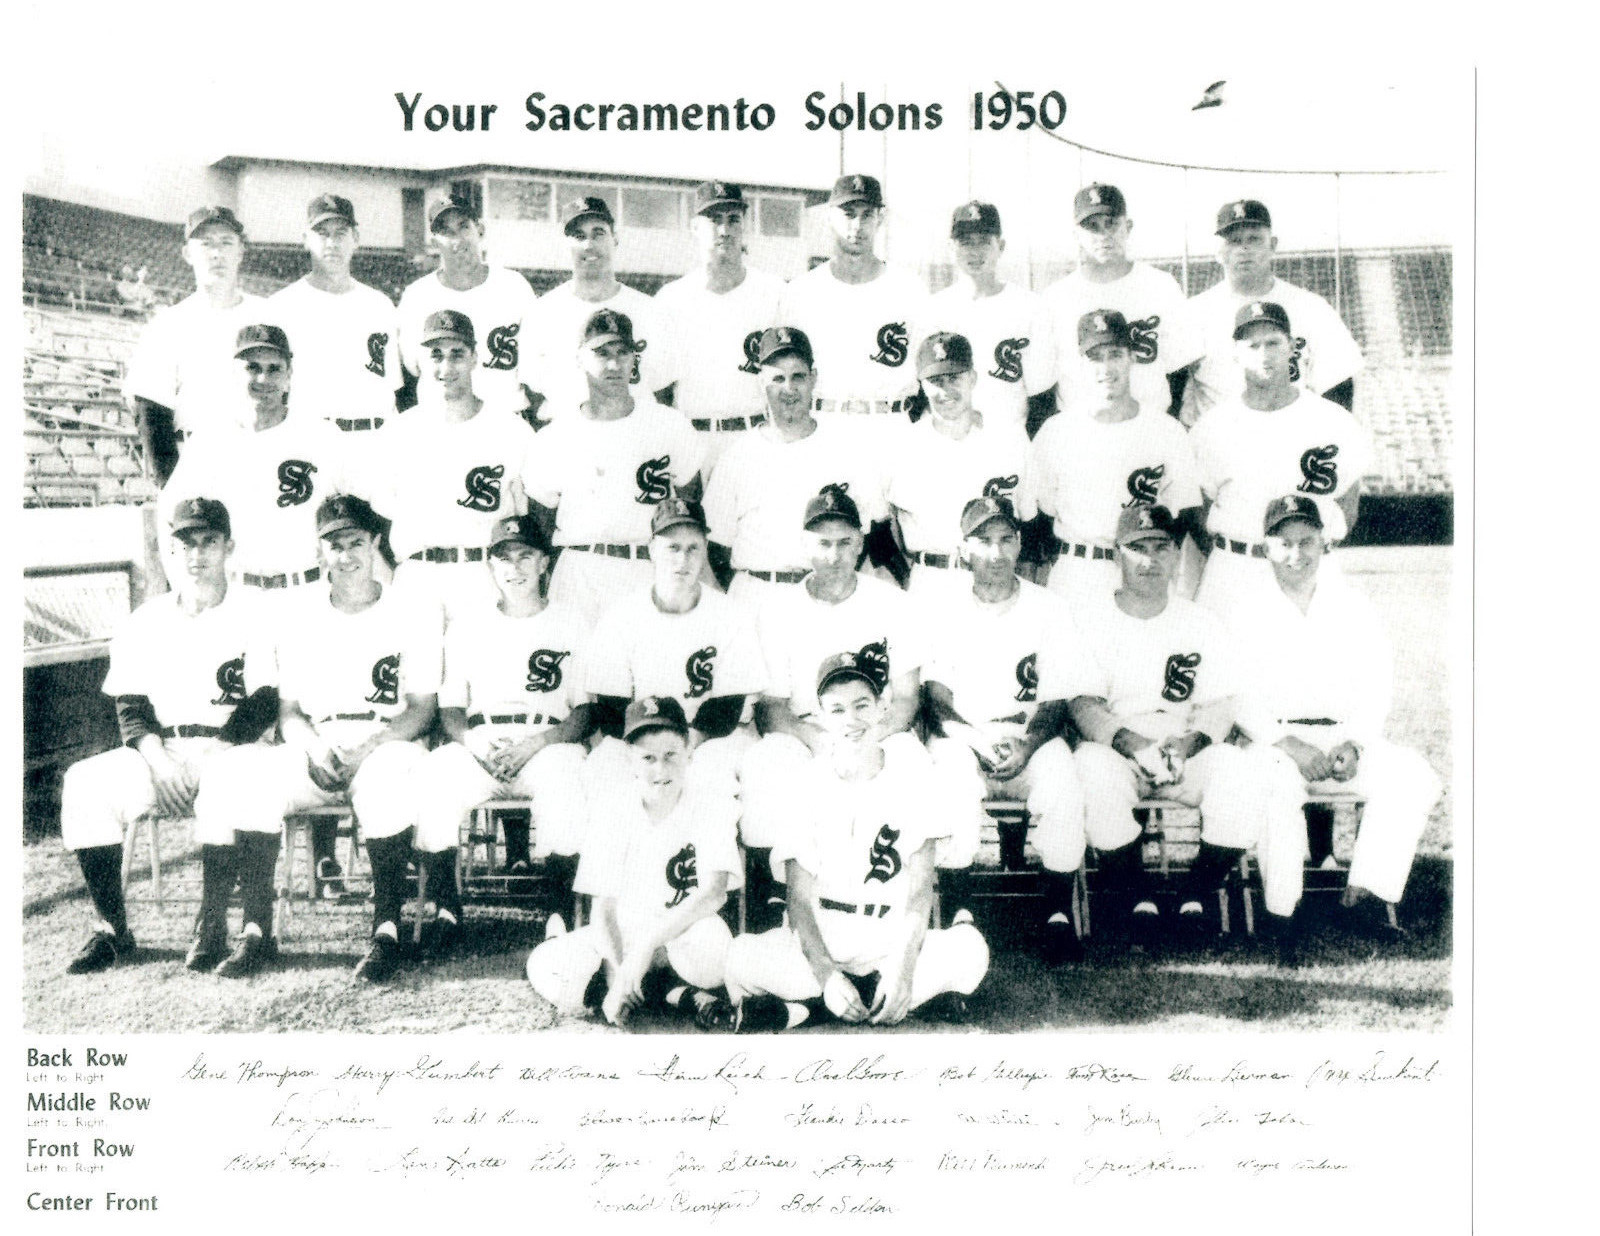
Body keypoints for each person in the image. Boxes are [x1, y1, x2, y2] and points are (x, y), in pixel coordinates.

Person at [195, 495, 440, 981]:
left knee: (387, 779)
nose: (345, 555)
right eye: (334, 545)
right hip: (318, 739)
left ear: (374, 544)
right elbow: (288, 711)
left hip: (387, 738)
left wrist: (369, 747)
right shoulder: (295, 613)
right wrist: (311, 746)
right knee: (250, 773)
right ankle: (257, 932)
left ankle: (386, 929)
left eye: (355, 542)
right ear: (318, 552)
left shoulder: (413, 609)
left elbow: (422, 709)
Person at [704, 652, 990, 1031]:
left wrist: (902, 971)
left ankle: (806, 1010)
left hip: (888, 935)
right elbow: (799, 901)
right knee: (739, 956)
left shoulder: (913, 775)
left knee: (971, 949)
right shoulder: (806, 782)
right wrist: (827, 976)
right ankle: (874, 999)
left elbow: (921, 891)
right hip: (826, 932)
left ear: (883, 707)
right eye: (837, 709)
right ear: (820, 716)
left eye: (861, 705)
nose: (851, 720)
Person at [58, 499, 275, 975]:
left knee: (229, 777)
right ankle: (112, 929)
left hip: (230, 747)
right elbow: (131, 707)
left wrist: (213, 754)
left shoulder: (255, 610)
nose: (196, 554)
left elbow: (264, 700)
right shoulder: (147, 618)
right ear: (171, 551)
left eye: (208, 542)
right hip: (163, 752)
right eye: (186, 543)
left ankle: (212, 924)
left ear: (228, 547)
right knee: (84, 782)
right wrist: (161, 763)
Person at [1230, 495, 1442, 946]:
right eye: (1283, 543)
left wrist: (1356, 742)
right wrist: (1289, 745)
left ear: (1324, 542)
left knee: (1414, 777)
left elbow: (1378, 682)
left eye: (1306, 541)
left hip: (1343, 739)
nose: (1296, 554)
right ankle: (1282, 913)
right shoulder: (1244, 609)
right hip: (1278, 742)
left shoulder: (1353, 604)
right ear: (1265, 548)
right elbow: (1238, 696)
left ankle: (1361, 899)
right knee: (1274, 786)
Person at [1065, 504, 1262, 942]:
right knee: (1092, 773)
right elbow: (1082, 704)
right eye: (1138, 549)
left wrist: (1187, 744)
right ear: (1117, 555)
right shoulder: (1090, 619)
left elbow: (1220, 704)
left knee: (1239, 772)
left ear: (1177, 555)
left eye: (1161, 548)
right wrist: (1132, 744)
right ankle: (1136, 893)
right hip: (1118, 745)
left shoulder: (1199, 621)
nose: (1150, 560)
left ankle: (1197, 893)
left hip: (1184, 743)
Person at [738, 486, 928, 929]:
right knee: (768, 764)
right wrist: (823, 741)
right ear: (805, 545)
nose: (834, 554)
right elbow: (770, 708)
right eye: (823, 543)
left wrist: (867, 739)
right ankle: (778, 899)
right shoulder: (776, 607)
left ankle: (905, 906)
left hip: (875, 730)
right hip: (806, 732)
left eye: (845, 542)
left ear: (861, 543)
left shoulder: (893, 603)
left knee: (913, 764)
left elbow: (906, 698)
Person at [407, 515, 592, 951]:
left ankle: (557, 911)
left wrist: (538, 744)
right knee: (436, 774)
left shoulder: (573, 621)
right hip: (484, 743)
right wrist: (475, 742)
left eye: (525, 555)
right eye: (504, 558)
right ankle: (447, 911)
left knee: (567, 778)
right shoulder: (468, 625)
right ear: (491, 566)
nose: (515, 568)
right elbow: (452, 709)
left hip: (546, 741)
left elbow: (585, 711)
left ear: (544, 562)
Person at [922, 496, 1091, 962]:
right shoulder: (941, 608)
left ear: (1019, 545)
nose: (995, 553)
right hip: (966, 737)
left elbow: (1056, 697)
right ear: (963, 549)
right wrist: (977, 740)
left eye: (1005, 540)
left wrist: (1029, 743)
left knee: (1062, 783)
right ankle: (959, 911)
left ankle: (1058, 914)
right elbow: (935, 699)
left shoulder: (1049, 607)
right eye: (983, 541)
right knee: (952, 778)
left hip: (1028, 736)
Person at [526, 695, 742, 1027]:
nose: (660, 769)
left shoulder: (710, 802)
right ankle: (675, 993)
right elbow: (604, 909)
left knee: (717, 948)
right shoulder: (613, 806)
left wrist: (645, 951)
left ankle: (648, 987)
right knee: (544, 963)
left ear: (688, 752)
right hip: (627, 929)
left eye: (671, 755)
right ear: (630, 761)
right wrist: (616, 977)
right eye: (648, 758)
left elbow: (714, 893)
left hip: (685, 930)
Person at [1189, 301, 1375, 620]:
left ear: (1292, 348)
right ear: (1236, 353)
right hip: (1235, 571)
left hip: (1311, 570)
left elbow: (1348, 505)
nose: (1264, 353)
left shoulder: (1333, 420)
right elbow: (1197, 510)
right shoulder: (1212, 427)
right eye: (1252, 345)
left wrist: (1304, 551)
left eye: (1273, 342)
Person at [522, 309, 707, 625]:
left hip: (647, 568)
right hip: (580, 569)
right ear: (579, 359)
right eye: (601, 353)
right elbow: (541, 522)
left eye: (623, 352)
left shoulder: (668, 425)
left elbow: (692, 506)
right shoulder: (555, 436)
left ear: (635, 359)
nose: (613, 364)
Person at [581, 496, 766, 790]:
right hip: (638, 736)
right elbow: (611, 708)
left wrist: (688, 740)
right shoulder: (620, 616)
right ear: (652, 549)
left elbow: (730, 705)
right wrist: (655, 747)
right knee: (603, 769)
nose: (683, 560)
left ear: (705, 549)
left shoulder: (731, 614)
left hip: (711, 737)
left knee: (711, 776)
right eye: (673, 548)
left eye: (693, 548)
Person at [1029, 310, 1204, 613]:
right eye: (1095, 357)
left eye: (1115, 354)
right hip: (1079, 570)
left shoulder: (1165, 429)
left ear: (1132, 358)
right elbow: (1043, 513)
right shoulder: (1057, 431)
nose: (1106, 367)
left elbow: (1183, 513)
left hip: (1144, 569)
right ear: (1079, 364)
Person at [702, 326, 889, 603]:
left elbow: (875, 536)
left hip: (828, 595)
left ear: (814, 378)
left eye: (798, 377)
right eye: (778, 378)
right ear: (761, 384)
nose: (789, 389)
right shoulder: (736, 457)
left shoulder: (849, 449)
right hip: (758, 594)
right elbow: (716, 549)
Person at [161, 324, 353, 594]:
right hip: (238, 593)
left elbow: (359, 512)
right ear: (234, 373)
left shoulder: (323, 436)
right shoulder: (209, 441)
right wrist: (186, 588)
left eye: (274, 369)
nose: (263, 379)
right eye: (252, 367)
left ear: (289, 375)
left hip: (307, 590)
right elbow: (170, 517)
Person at [378, 309, 536, 625]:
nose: (446, 367)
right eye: (436, 355)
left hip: (483, 575)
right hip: (417, 576)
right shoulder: (397, 432)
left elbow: (528, 515)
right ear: (421, 360)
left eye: (457, 354)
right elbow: (381, 515)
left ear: (475, 357)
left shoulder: (512, 430)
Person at [777, 174, 929, 451]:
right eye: (848, 214)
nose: (857, 225)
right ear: (828, 217)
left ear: (880, 219)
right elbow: (783, 376)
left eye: (866, 215)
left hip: (893, 426)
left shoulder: (910, 288)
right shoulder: (801, 292)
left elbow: (929, 370)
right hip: (824, 424)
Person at [1177, 199, 1363, 423]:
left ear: (1273, 245)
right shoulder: (1193, 313)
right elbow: (1173, 394)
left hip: (1295, 439)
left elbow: (1337, 387)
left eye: (1254, 239)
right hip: (1222, 446)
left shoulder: (1311, 307)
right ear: (1219, 251)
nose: (1244, 249)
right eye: (1234, 241)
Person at [884, 332, 1035, 600]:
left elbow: (1030, 522)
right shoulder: (901, 444)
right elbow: (887, 526)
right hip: (931, 580)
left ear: (972, 378)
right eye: (935, 381)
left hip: (995, 582)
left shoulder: (1009, 439)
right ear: (921, 385)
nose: (945, 391)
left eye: (954, 378)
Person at [124, 206, 264, 481]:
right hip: (194, 461)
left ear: (240, 252)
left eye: (226, 243)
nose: (216, 254)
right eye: (206, 244)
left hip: (259, 458)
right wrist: (172, 486)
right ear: (188, 254)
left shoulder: (269, 315)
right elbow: (150, 413)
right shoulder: (167, 325)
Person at [653, 182, 786, 469]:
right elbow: (660, 389)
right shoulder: (671, 299)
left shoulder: (774, 292)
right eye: (714, 221)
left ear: (744, 226)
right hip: (692, 438)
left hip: (755, 436)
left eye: (733, 220)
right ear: (694, 228)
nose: (725, 230)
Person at [1042, 183, 1195, 433]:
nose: (1104, 235)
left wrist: (1168, 426)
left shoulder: (1160, 286)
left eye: (1111, 223)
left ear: (1128, 226)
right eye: (1092, 226)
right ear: (1076, 235)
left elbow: (1180, 369)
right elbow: (1047, 382)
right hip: (1080, 433)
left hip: (1150, 427)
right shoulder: (1055, 298)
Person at [522, 196, 678, 421]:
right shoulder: (542, 313)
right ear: (566, 244)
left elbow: (664, 389)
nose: (589, 245)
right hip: (569, 438)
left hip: (636, 440)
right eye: (579, 236)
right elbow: (533, 392)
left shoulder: (650, 310)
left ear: (615, 239)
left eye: (598, 233)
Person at [264, 194, 403, 440]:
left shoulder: (380, 305)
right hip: (312, 439)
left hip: (375, 437)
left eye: (340, 233)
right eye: (322, 233)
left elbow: (393, 386)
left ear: (356, 239)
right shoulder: (281, 307)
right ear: (305, 240)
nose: (332, 243)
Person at [396, 195, 539, 420]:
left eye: (463, 227)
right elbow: (413, 370)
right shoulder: (417, 296)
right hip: (441, 424)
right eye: (446, 231)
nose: (457, 240)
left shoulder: (514, 287)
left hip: (506, 422)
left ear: (480, 230)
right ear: (434, 241)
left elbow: (535, 366)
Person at [927, 201, 1057, 437]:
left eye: (984, 242)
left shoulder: (1030, 307)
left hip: (1010, 439)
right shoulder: (933, 310)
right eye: (965, 243)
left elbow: (1042, 398)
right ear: (950, 247)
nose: (975, 252)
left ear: (1001, 246)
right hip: (948, 442)